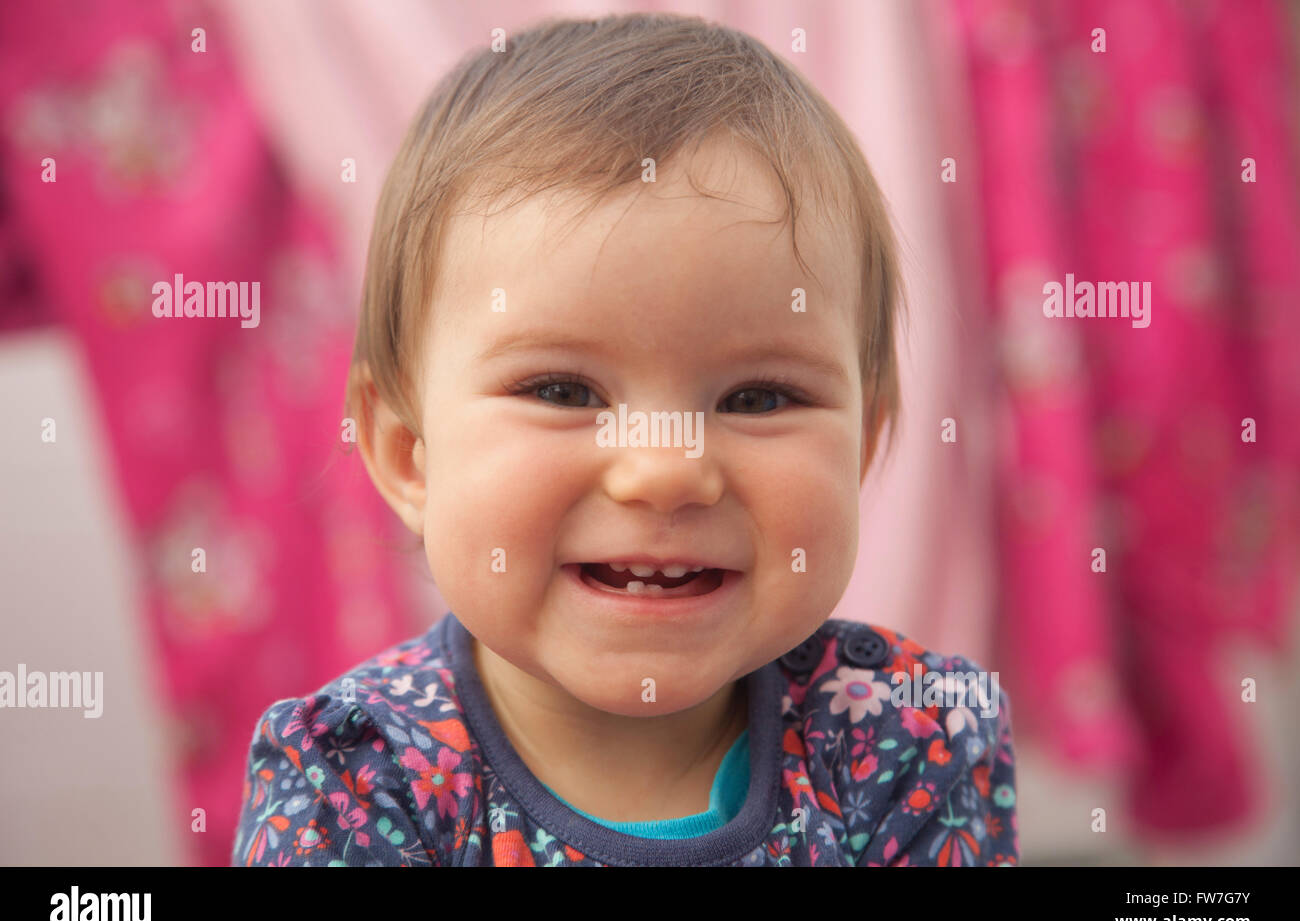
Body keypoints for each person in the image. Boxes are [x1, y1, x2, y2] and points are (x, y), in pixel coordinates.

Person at [231, 11, 1017, 867]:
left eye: (758, 398)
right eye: (563, 391)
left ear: (862, 448)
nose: (666, 471)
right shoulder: (351, 780)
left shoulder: (910, 736)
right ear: (407, 454)